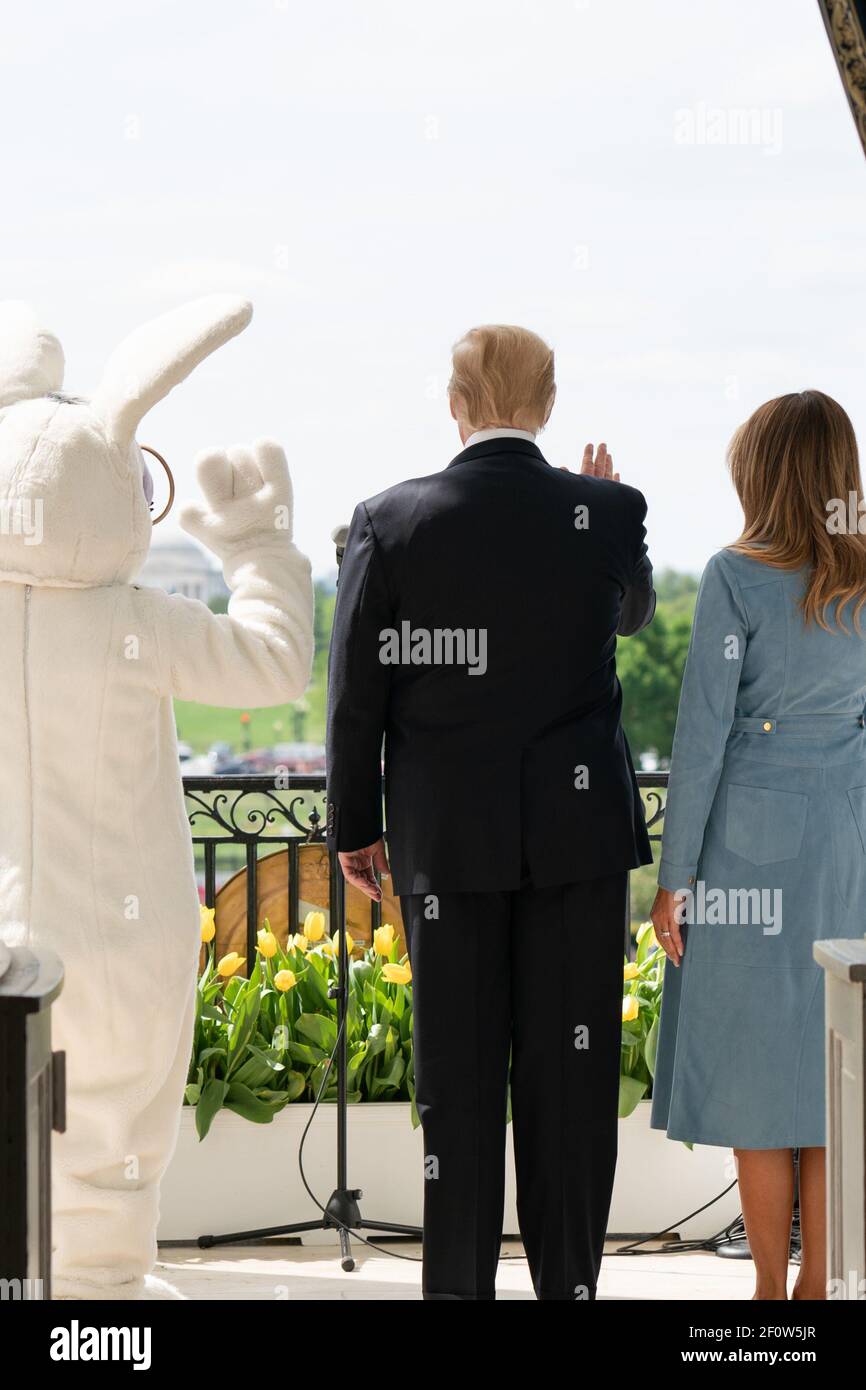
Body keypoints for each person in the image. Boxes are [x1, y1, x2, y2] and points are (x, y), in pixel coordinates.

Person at [326, 324, 655, 1300]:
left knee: (458, 1099)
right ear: (547, 406)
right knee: (569, 1095)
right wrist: (607, 509)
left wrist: (354, 826)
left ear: (454, 405)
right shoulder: (605, 508)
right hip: (577, 850)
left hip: (448, 854)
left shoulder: (387, 519)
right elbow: (630, 613)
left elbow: (354, 695)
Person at [650, 389, 866, 1302]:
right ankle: (823, 1286)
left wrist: (675, 881)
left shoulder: (735, 575)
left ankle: (771, 1297)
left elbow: (700, 741)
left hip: (749, 848)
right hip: (850, 837)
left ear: (762, 472)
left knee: (756, 1077)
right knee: (830, 1069)